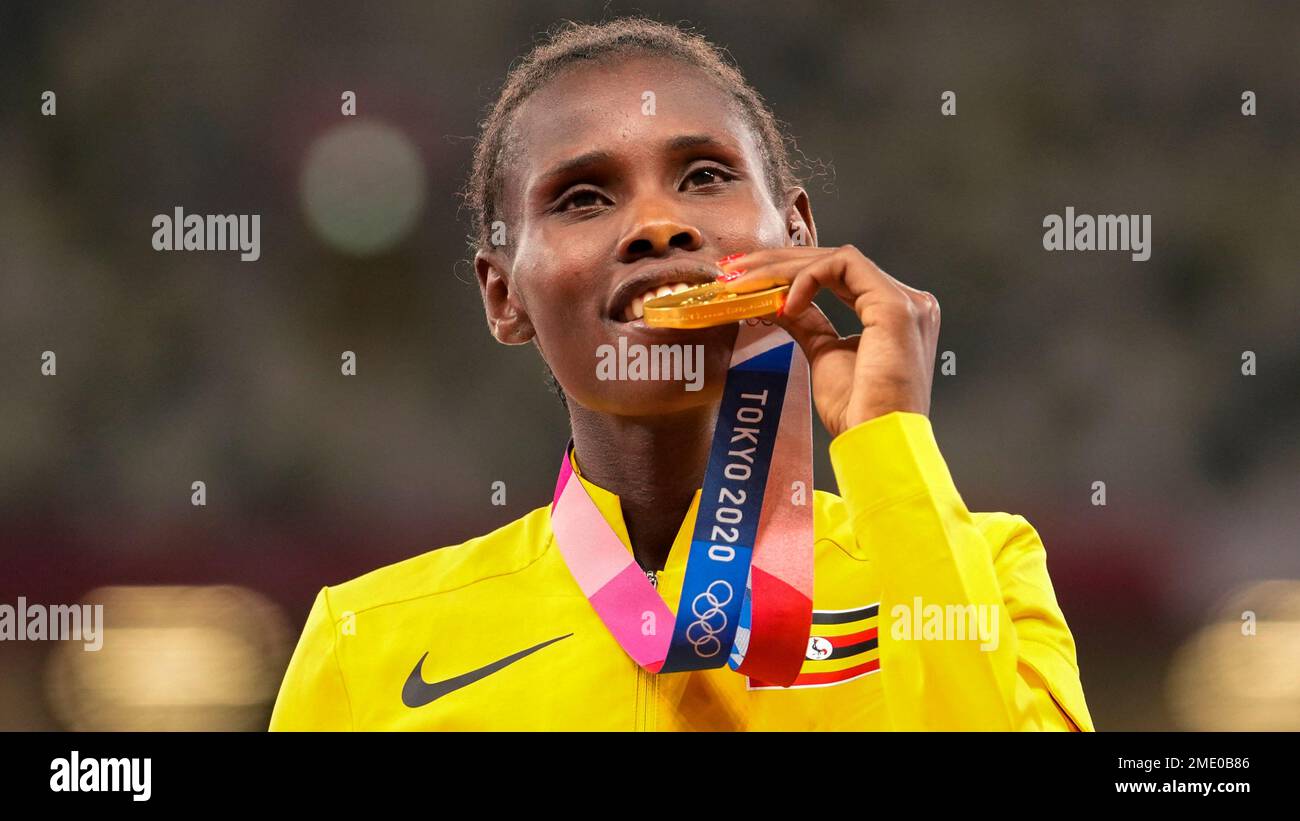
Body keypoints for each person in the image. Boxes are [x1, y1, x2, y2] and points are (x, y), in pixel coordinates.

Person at [270, 17, 1094, 731]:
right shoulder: (365, 642)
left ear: (797, 234)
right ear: (504, 295)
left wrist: (890, 444)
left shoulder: (980, 570)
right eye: (583, 197)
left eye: (704, 176)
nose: (658, 225)